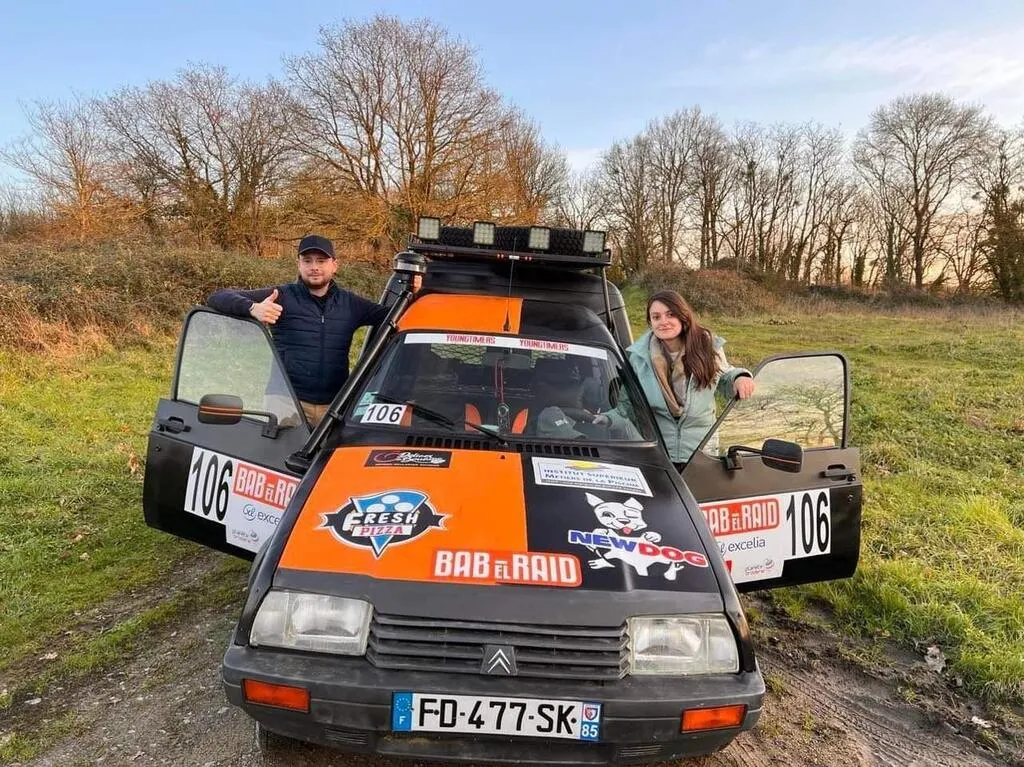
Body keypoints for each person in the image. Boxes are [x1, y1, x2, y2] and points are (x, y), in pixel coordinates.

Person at [207, 234, 394, 427]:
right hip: (285, 401)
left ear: (334, 265)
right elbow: (218, 296)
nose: (314, 267)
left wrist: (417, 290)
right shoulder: (281, 296)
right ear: (299, 264)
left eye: (321, 261)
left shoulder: (350, 304)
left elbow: (394, 315)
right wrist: (253, 308)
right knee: (276, 457)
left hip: (335, 406)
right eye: (307, 261)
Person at [626, 289, 755, 470]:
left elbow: (725, 377)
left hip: (701, 453)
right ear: (650, 322)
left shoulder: (707, 346)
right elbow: (628, 402)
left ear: (683, 316)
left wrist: (740, 378)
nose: (663, 322)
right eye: (656, 317)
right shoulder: (638, 356)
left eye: (670, 315)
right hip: (659, 454)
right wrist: (602, 419)